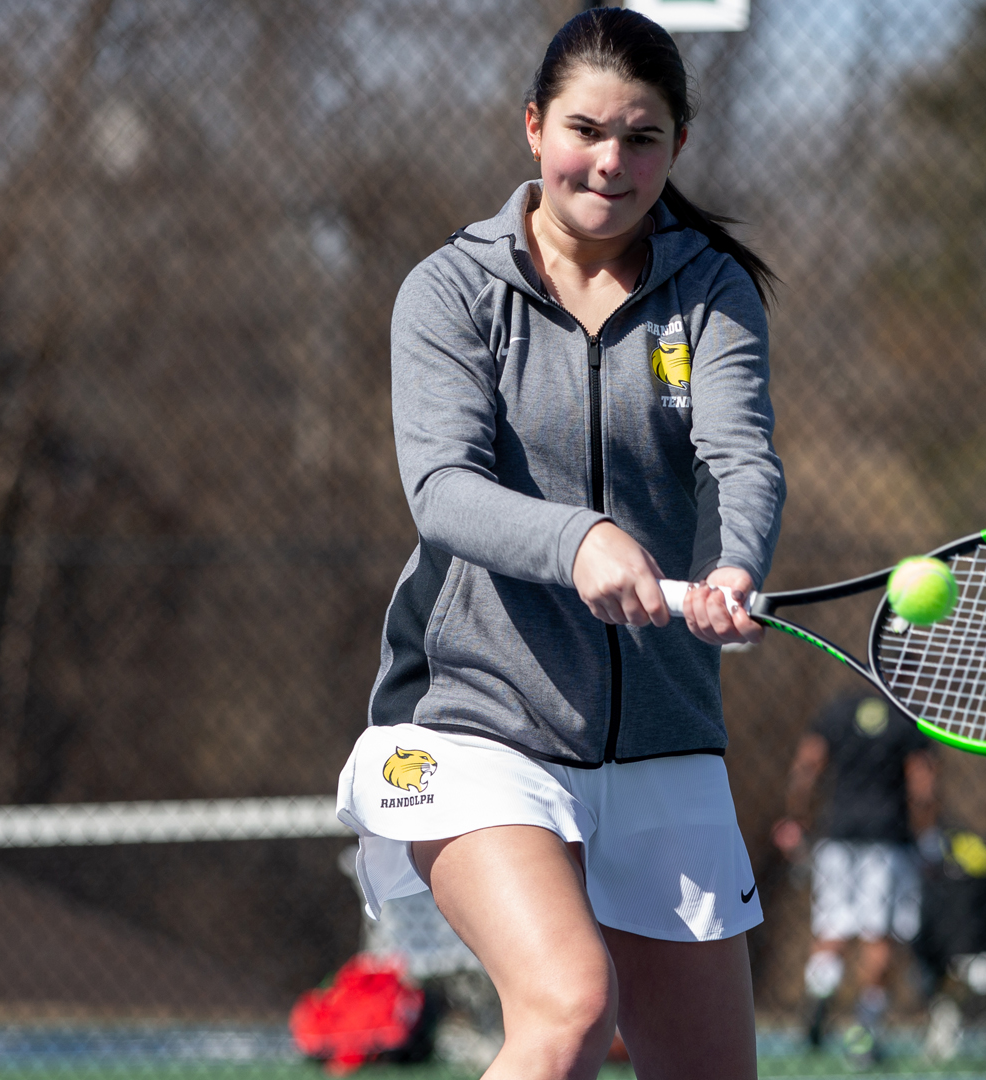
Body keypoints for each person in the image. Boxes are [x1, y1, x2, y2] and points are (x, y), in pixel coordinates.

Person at [332, 9, 783, 1080]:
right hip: (475, 723)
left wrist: (733, 566)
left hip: (664, 731)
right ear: (534, 129)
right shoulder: (449, 291)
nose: (612, 164)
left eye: (644, 139)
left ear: (678, 147)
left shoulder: (712, 289)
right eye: (587, 130)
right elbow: (442, 490)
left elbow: (739, 459)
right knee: (573, 1008)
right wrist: (581, 541)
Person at [771, 693, 937, 1064]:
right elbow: (922, 786)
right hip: (888, 841)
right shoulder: (907, 715)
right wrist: (928, 838)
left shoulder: (837, 709)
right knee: (877, 934)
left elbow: (806, 767)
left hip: (837, 837)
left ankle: (820, 994)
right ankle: (864, 1031)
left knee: (832, 928)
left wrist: (797, 818)